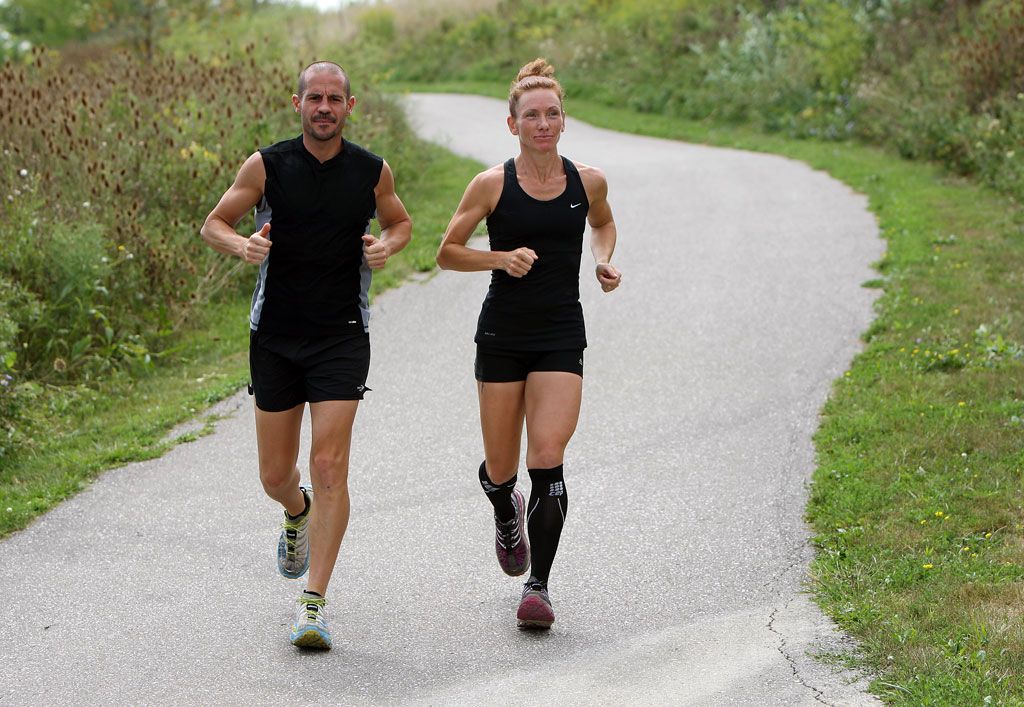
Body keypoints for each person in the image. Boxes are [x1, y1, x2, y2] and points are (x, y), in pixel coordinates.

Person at [200, 60, 412, 650]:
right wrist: (241, 244)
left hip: (342, 334)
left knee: (329, 465)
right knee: (276, 475)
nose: (324, 107)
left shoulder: (371, 170)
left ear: (350, 106)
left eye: (334, 99)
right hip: (275, 334)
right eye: (314, 98)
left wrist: (386, 246)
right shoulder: (266, 166)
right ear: (297, 104)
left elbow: (399, 223)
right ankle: (296, 511)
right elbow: (214, 223)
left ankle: (313, 602)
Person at [436, 58, 622, 629]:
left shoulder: (588, 181)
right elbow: (447, 252)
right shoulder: (491, 184)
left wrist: (603, 260)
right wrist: (499, 258)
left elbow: (603, 223)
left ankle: (537, 587)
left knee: (547, 456)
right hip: (502, 334)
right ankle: (504, 506)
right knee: (501, 468)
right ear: (512, 123)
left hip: (561, 333)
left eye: (552, 114)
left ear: (564, 120)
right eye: (532, 115)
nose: (543, 124)